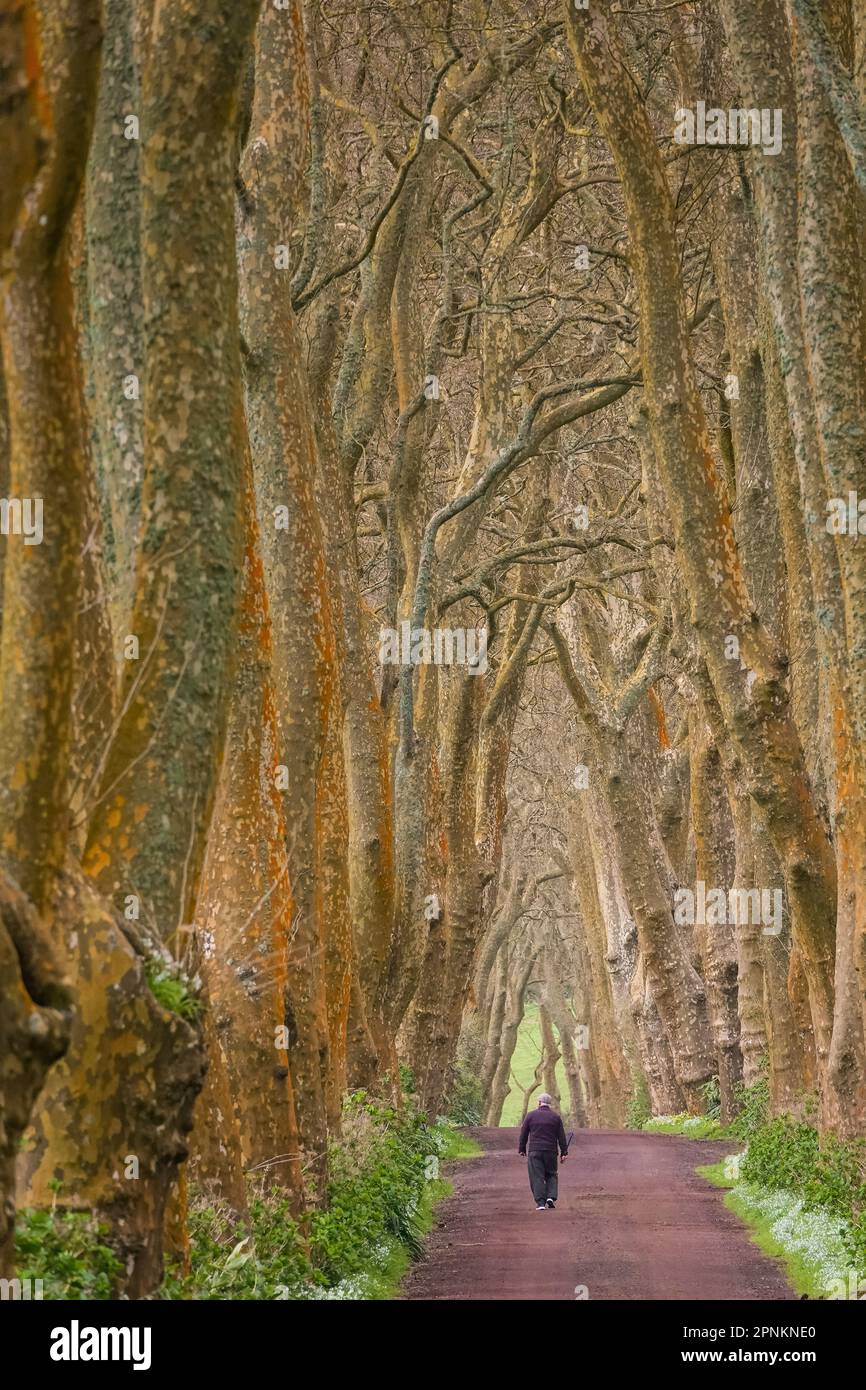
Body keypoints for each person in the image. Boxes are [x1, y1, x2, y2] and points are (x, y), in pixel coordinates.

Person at [518, 1093, 569, 1210]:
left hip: (535, 1151)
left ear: (539, 1103)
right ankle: (551, 1196)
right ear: (549, 1104)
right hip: (551, 1151)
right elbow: (561, 1137)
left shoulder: (530, 1116)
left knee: (537, 1176)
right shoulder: (555, 1117)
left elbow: (523, 1133)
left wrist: (522, 1149)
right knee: (551, 1173)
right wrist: (564, 1152)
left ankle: (541, 1203)